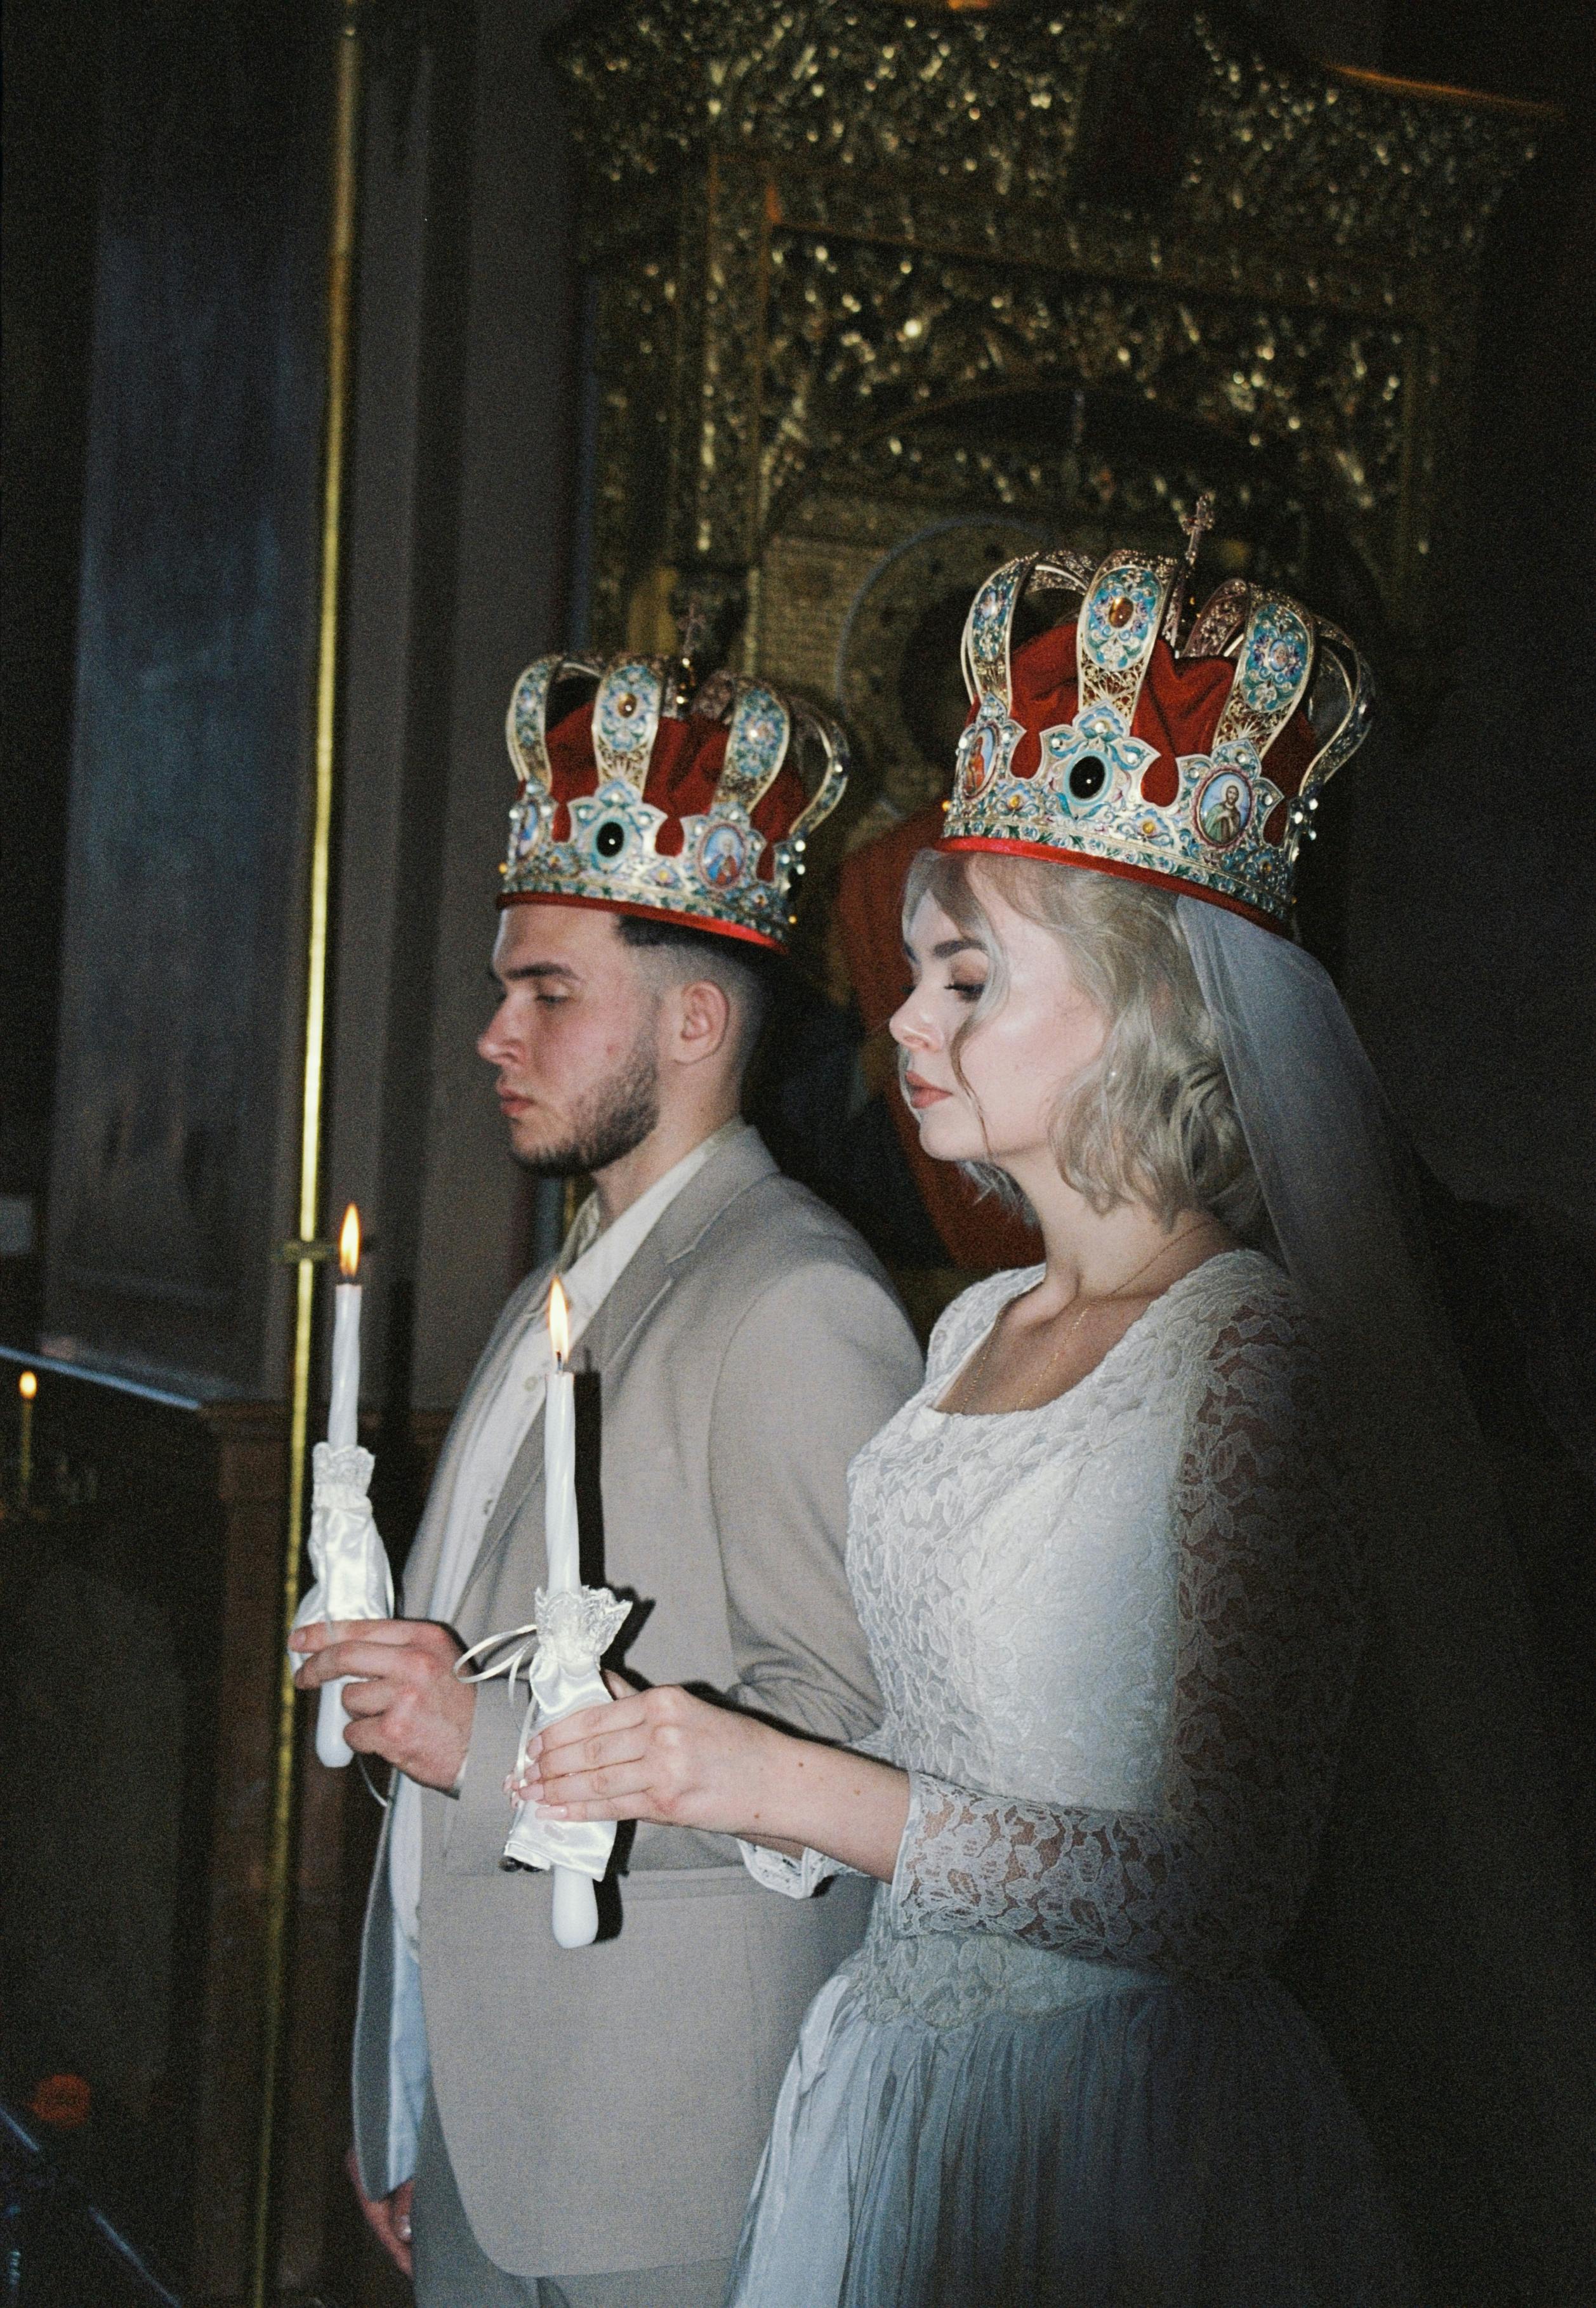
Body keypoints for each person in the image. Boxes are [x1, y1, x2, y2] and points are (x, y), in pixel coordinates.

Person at [514, 540, 1596, 2302]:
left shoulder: (1249, 1357)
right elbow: (940, 1744)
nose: (906, 1018)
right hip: (898, 2068)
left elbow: (1209, 1902)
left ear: (1147, 1013)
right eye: (914, 971)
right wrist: (699, 1774)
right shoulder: (969, 1329)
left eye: (967, 980)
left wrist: (785, 1778)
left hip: (1112, 2124)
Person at [291, 642, 922, 2308]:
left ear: (697, 1018)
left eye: (548, 992)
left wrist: (474, 1734)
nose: (494, 1032)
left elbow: (852, 1768)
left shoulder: (795, 1302)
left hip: (660, 2164)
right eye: (506, 985)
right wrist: (399, 2077)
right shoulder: (556, 1286)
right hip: (492, 2115)